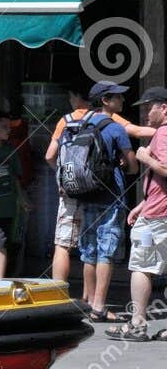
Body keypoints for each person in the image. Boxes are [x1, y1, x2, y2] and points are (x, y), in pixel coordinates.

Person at [46, 81, 155, 291]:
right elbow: (135, 132)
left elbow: (50, 155)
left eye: (70, 97)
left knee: (66, 244)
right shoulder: (110, 121)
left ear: (78, 98)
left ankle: (58, 296)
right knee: (103, 246)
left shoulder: (67, 120)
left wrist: (65, 178)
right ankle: (94, 300)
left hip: (70, 188)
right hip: (101, 189)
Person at [57, 81, 137, 321]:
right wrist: (122, 164)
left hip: (85, 193)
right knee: (107, 252)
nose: (122, 101)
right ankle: (100, 307)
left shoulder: (77, 125)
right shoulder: (114, 128)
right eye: (118, 98)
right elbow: (132, 166)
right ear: (105, 100)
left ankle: (90, 302)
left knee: (89, 250)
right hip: (111, 197)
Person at [109, 86, 167, 340]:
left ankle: (137, 324)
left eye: (149, 106)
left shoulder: (163, 134)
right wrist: (142, 203)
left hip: (157, 217)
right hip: (155, 209)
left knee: (142, 267)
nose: (144, 111)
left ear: (163, 108)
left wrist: (145, 157)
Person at [0, 109, 26, 279]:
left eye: (10, 127)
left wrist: (22, 198)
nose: (8, 130)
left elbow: (16, 177)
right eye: (4, 127)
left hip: (6, 207)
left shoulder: (10, 149)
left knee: (1, 244)